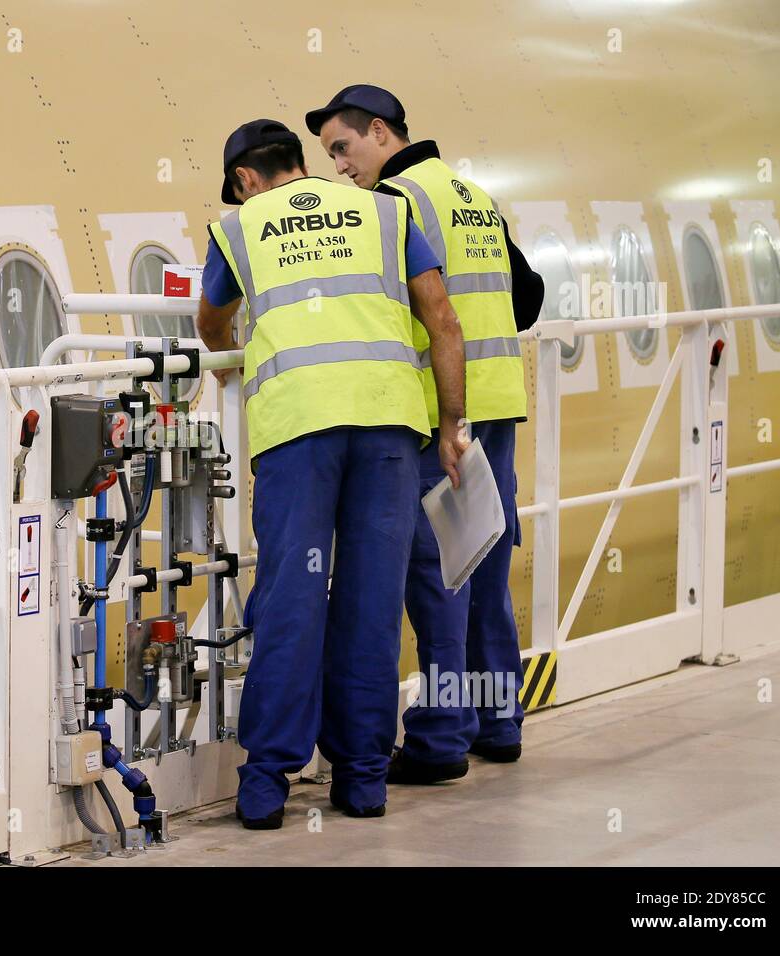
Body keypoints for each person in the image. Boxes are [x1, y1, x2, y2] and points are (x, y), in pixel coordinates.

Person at [195, 118, 468, 828]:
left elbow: (211, 325)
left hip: (299, 431)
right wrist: (452, 425)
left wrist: (237, 350)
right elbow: (441, 318)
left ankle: (266, 785)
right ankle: (363, 778)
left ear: (246, 179)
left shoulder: (241, 226)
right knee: (373, 599)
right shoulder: (386, 210)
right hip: (387, 425)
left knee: (291, 595)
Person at [306, 85, 544, 784]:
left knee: (441, 574)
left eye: (343, 149)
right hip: (496, 402)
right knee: (485, 567)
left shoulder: (399, 203)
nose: (341, 168)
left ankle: (441, 737)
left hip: (446, 412)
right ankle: (497, 721)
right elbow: (527, 297)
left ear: (381, 132)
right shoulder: (471, 194)